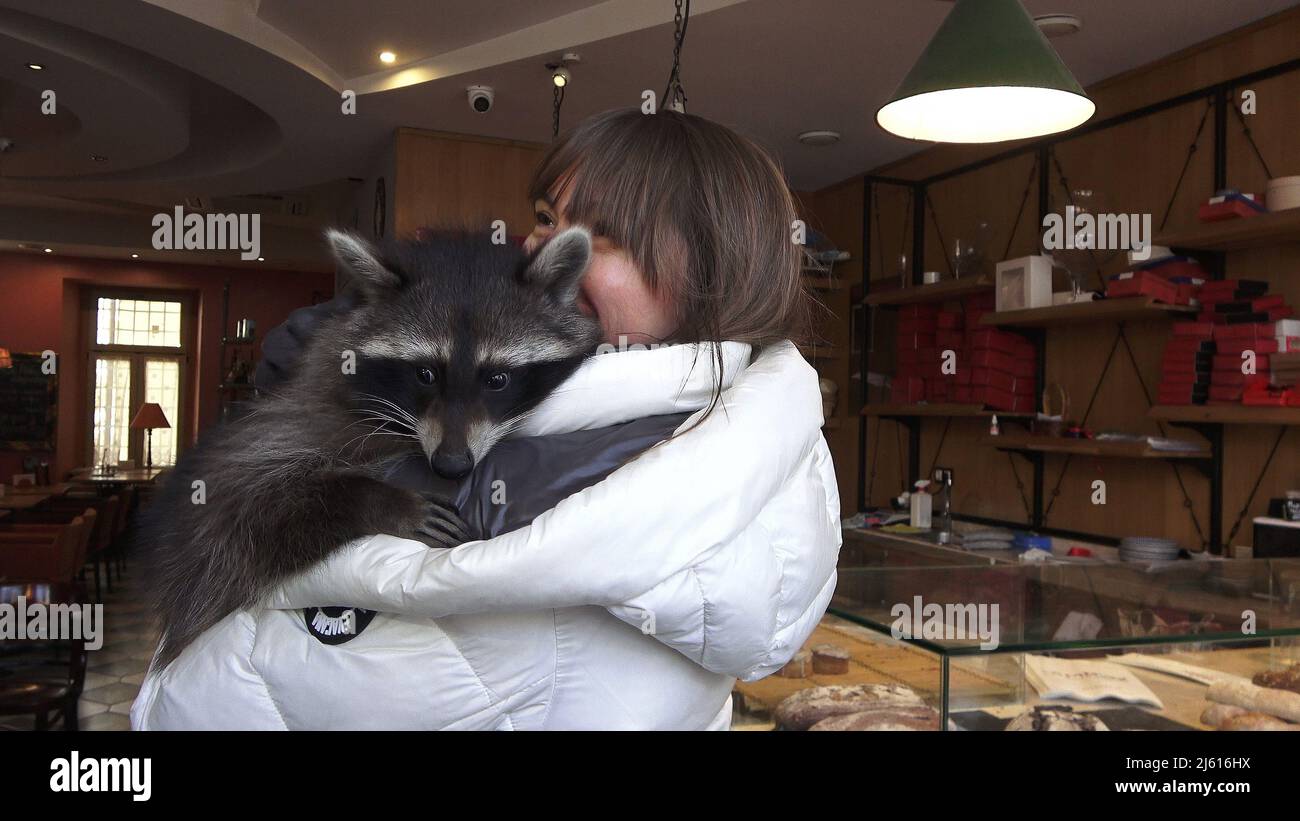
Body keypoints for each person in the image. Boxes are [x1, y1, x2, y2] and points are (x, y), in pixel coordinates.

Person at [131, 108, 841, 730]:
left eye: (607, 234)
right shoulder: (716, 441)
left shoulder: (596, 476)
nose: (548, 249)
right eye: (545, 217)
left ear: (717, 275)